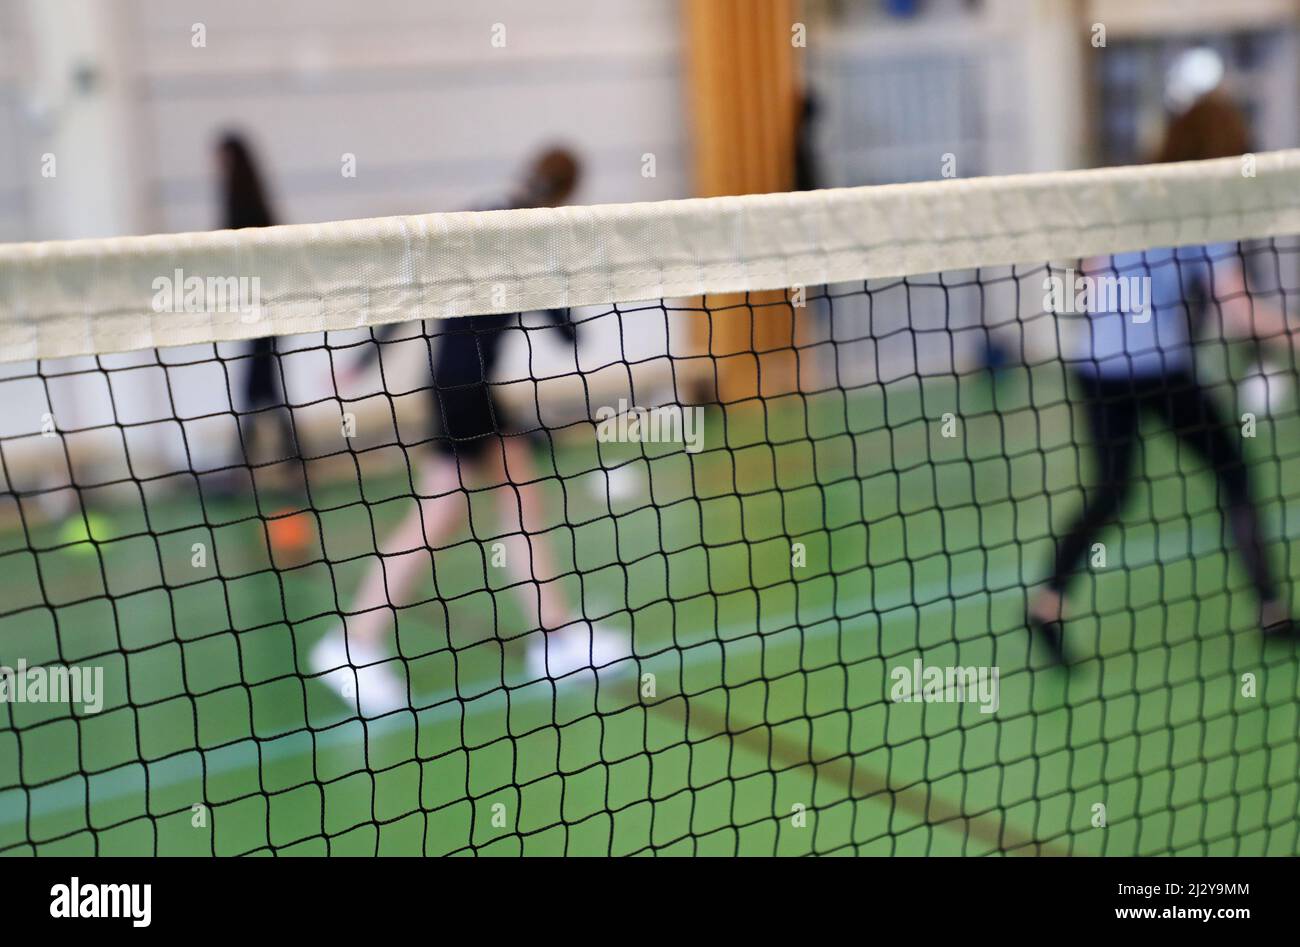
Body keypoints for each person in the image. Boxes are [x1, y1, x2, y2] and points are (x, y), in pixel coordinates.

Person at [310, 147, 628, 717]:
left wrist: (361, 361)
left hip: (464, 384)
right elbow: (563, 332)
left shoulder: (482, 216)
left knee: (518, 500)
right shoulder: (535, 235)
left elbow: (410, 294)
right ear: (567, 192)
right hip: (462, 390)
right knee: (439, 517)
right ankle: (351, 645)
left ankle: (553, 637)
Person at [1027, 92, 1294, 665]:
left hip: (1096, 367)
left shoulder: (1129, 188)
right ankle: (1271, 611)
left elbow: (1090, 273)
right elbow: (1236, 308)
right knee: (1233, 474)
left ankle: (1046, 602)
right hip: (1159, 371)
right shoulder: (1204, 206)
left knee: (1113, 489)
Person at [216, 133, 298, 468]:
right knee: (264, 391)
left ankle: (247, 463)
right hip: (255, 315)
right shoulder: (238, 202)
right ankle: (285, 460)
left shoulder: (247, 207)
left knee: (258, 390)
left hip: (266, 314)